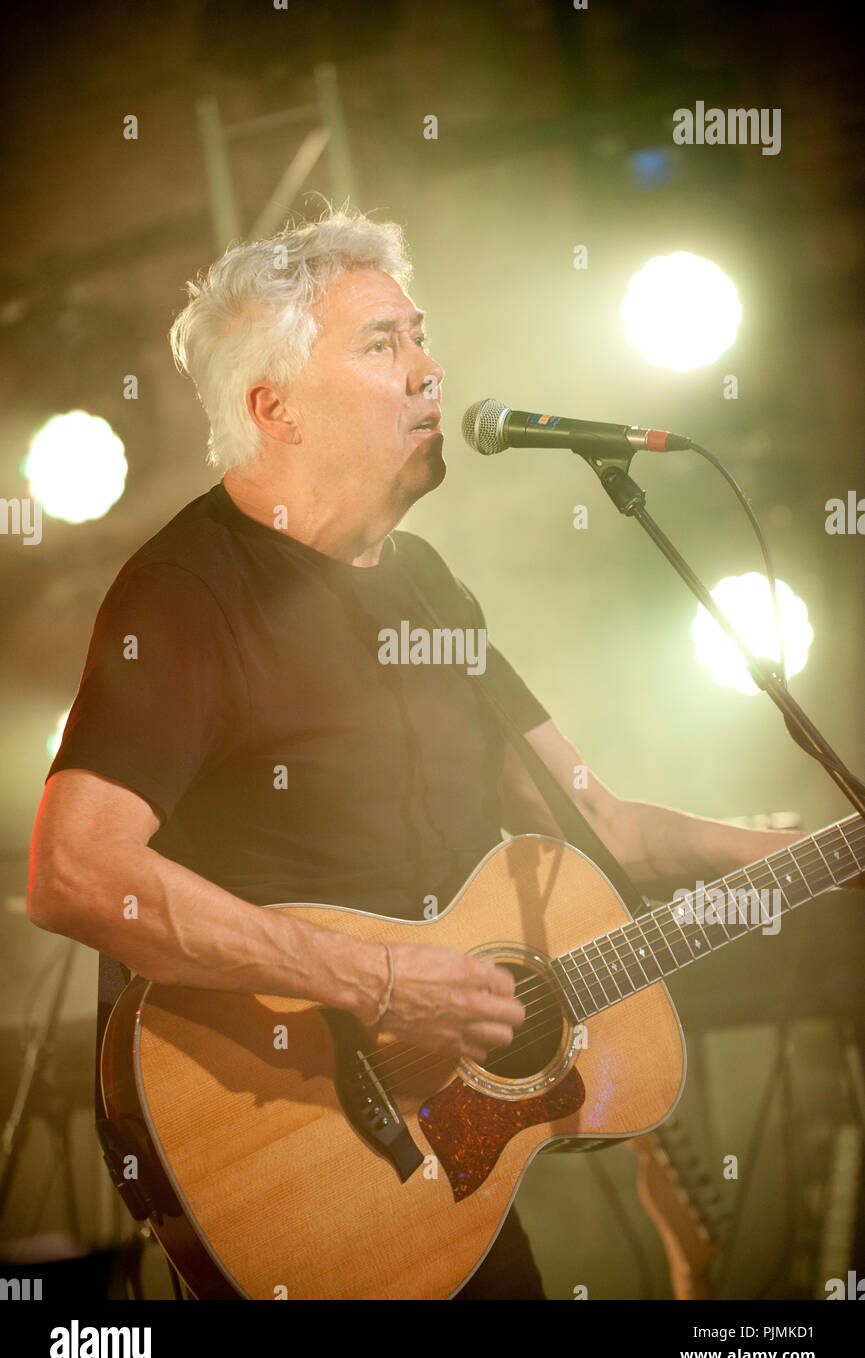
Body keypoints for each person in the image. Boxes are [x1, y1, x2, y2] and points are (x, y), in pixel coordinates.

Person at [27, 206, 803, 1300]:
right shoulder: (187, 595)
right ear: (274, 408)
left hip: (427, 1185)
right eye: (382, 344)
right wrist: (384, 981)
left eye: (421, 336)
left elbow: (601, 824)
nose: (429, 369)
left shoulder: (426, 581)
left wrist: (826, 847)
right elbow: (76, 872)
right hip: (284, 1159)